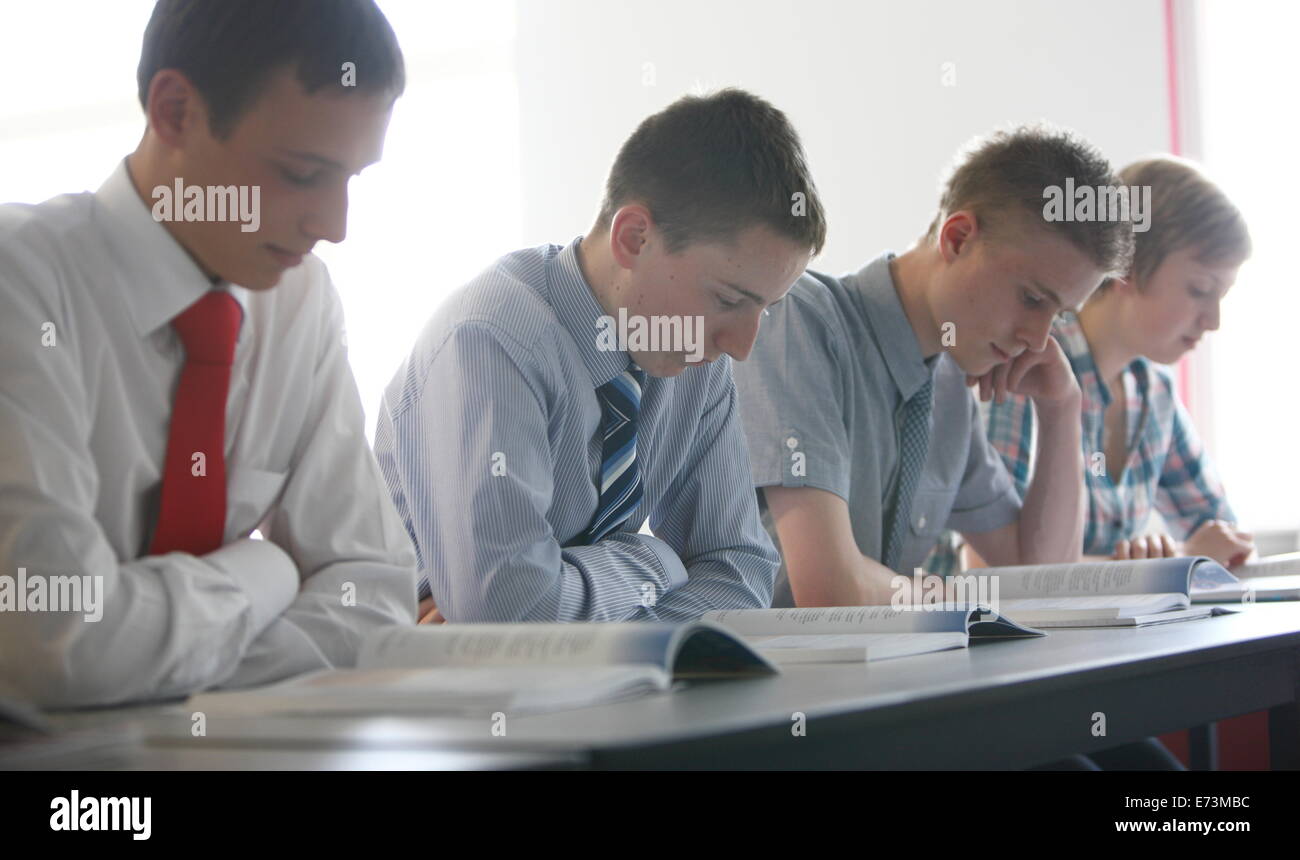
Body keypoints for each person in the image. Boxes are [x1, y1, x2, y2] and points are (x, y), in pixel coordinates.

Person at [0, 0, 417, 709]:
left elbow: (374, 591)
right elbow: (53, 641)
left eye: (352, 179)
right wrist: (267, 571)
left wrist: (161, 657)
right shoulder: (18, 286)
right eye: (301, 174)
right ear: (175, 112)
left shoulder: (301, 303)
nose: (333, 224)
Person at [375, 89, 824, 622]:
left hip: (588, 692)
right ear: (633, 238)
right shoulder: (491, 341)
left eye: (765, 310)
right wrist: (656, 559)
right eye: (728, 300)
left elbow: (742, 576)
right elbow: (513, 613)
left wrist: (607, 629)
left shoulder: (694, 357)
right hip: (429, 686)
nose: (742, 345)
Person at [733, 124, 1134, 607]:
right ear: (959, 237)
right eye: (1031, 298)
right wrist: (962, 598)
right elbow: (830, 591)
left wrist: (1062, 409)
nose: (1038, 338)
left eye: (1059, 315)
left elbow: (1041, 583)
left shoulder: (947, 389)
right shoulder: (799, 320)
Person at [984, 156, 1253, 567]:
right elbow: (991, 570)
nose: (1213, 321)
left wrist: (1190, 556)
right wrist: (1173, 561)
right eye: (1200, 289)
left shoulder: (1153, 391)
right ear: (1126, 264)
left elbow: (1226, 542)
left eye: (1223, 295)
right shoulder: (1029, 363)